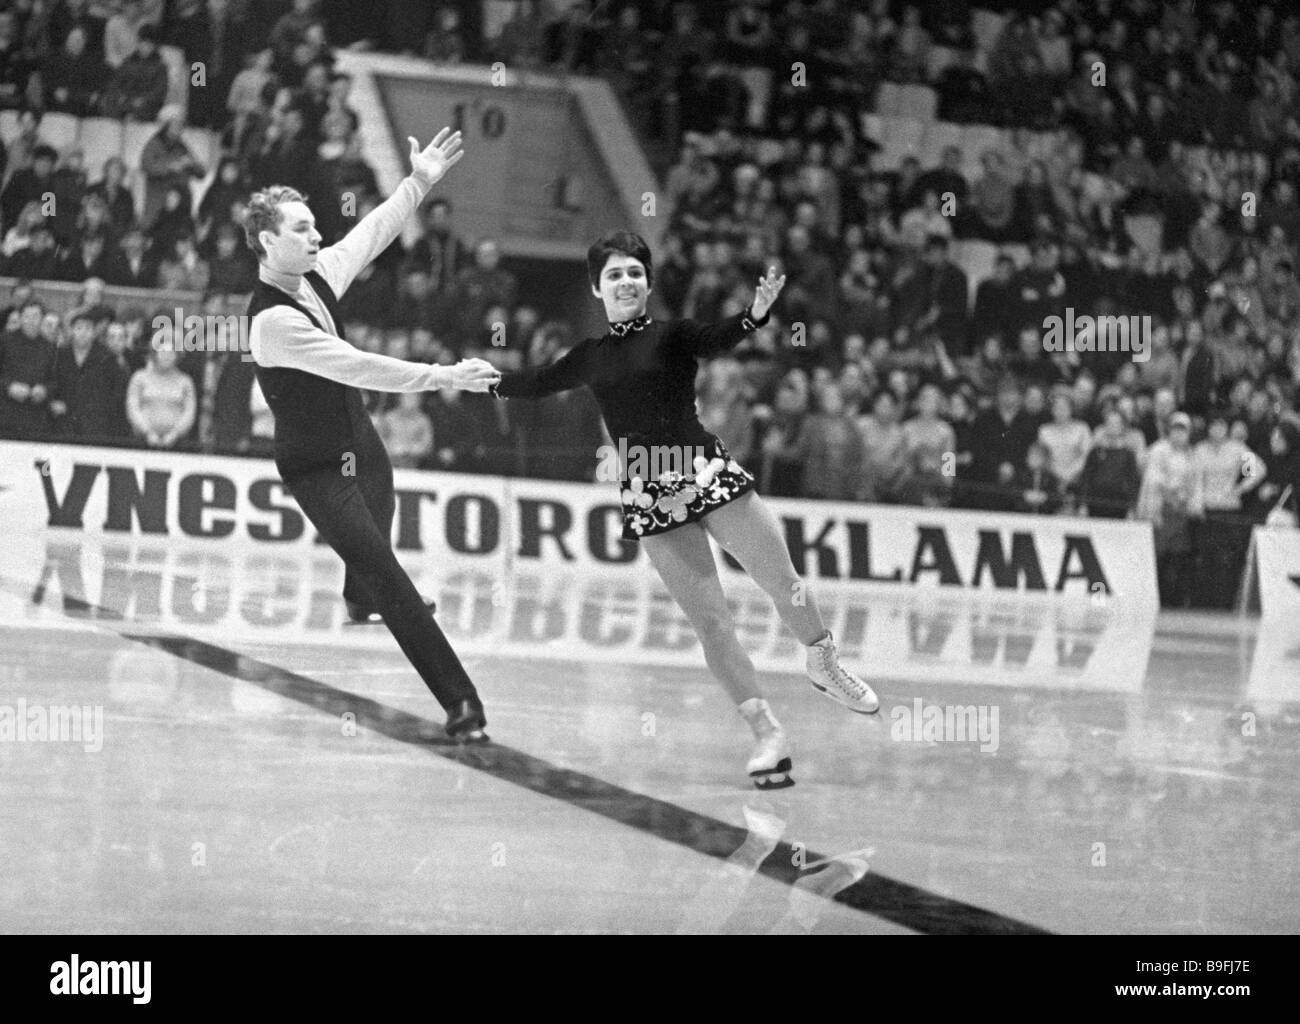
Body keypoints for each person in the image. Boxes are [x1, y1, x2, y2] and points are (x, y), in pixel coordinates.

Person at [487, 230, 880, 789]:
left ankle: (823, 661)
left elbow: (718, 335)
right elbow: (533, 384)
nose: (626, 281)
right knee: (712, 624)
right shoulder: (588, 357)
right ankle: (768, 735)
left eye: (634, 272)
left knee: (784, 582)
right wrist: (483, 380)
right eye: (614, 274)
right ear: (596, 290)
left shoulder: (673, 336)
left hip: (705, 470)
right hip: (648, 492)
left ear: (648, 283)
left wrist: (754, 315)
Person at [243, 126, 497, 742]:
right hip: (315, 465)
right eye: (301, 229)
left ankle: (358, 595)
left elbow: (372, 231)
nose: (317, 235)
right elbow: (357, 365)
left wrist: (419, 182)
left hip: (358, 436)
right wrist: (444, 375)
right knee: (388, 569)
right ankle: (461, 703)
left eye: (312, 226)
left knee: (382, 492)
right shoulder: (272, 321)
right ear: (266, 240)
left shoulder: (312, 275)